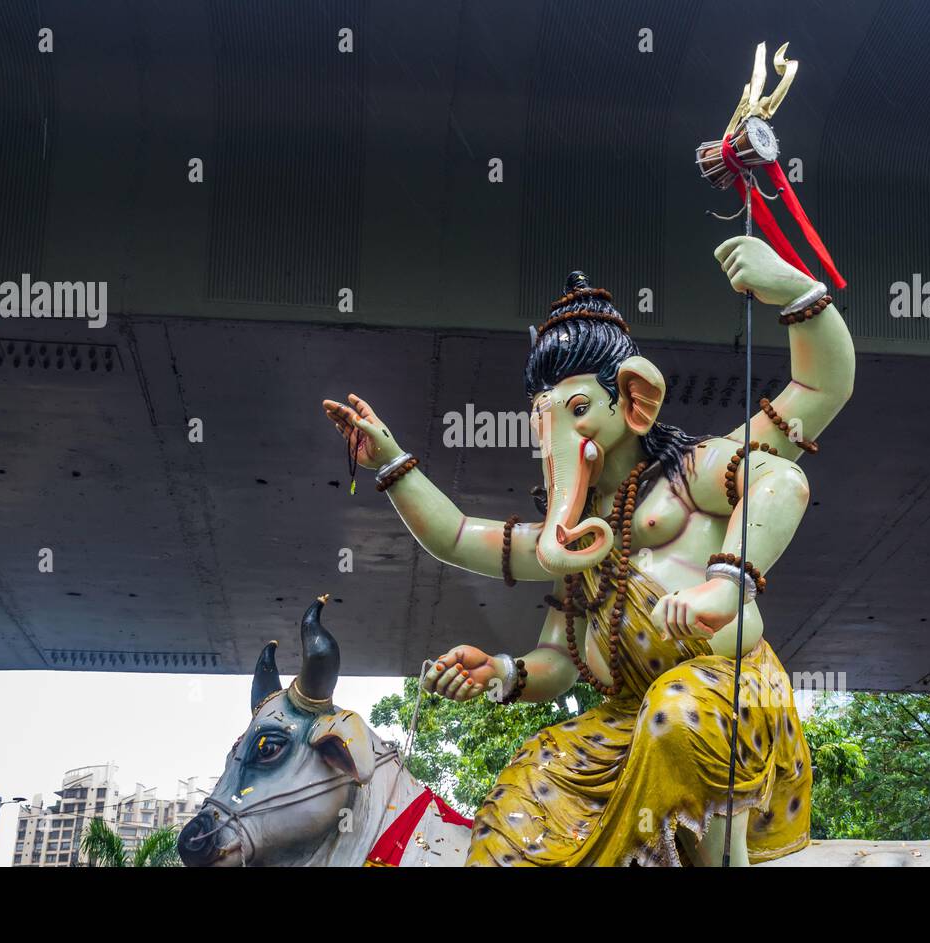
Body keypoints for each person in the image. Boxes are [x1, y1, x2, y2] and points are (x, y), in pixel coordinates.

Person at [323, 235, 855, 865]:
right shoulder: (574, 541)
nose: (560, 433)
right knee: (530, 781)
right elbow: (463, 543)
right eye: (544, 418)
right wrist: (502, 671)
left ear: (632, 399)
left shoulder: (695, 474)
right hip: (626, 724)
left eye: (578, 409)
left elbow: (798, 442)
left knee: (675, 717)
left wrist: (727, 581)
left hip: (726, 699)